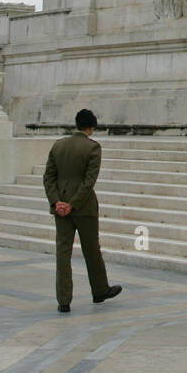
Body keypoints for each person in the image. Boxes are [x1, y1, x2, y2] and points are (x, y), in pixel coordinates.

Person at [43, 108, 121, 313]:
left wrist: (57, 202)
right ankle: (100, 290)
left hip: (60, 209)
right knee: (91, 250)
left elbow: (48, 177)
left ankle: (64, 300)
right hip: (83, 208)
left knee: (63, 253)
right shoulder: (93, 148)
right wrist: (73, 204)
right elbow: (88, 182)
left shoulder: (58, 146)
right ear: (91, 127)